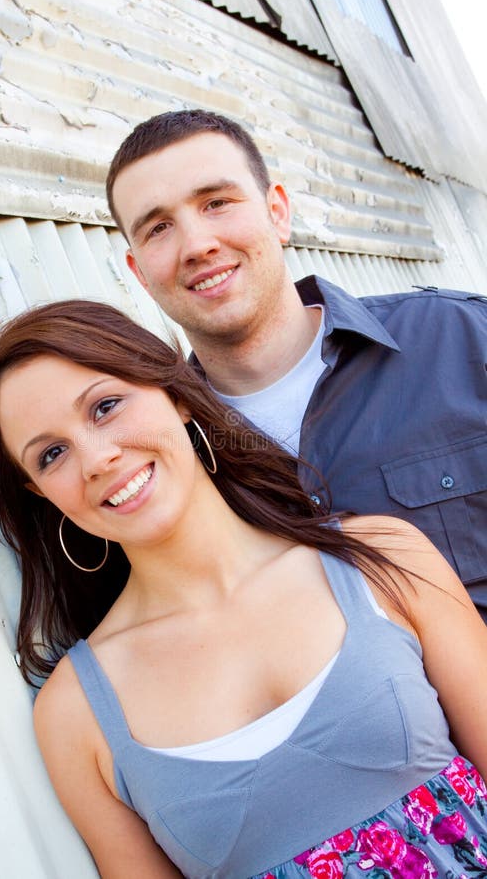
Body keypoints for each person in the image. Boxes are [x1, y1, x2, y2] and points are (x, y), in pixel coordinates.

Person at [0, 299, 487, 878]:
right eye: (52, 454)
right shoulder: (76, 712)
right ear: (41, 493)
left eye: (105, 407)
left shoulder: (385, 557)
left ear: (177, 394)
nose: (96, 459)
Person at [105, 109, 487, 620]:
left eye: (217, 203)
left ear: (277, 213)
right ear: (140, 274)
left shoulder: (461, 336)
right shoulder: (161, 461)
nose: (196, 245)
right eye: (158, 228)